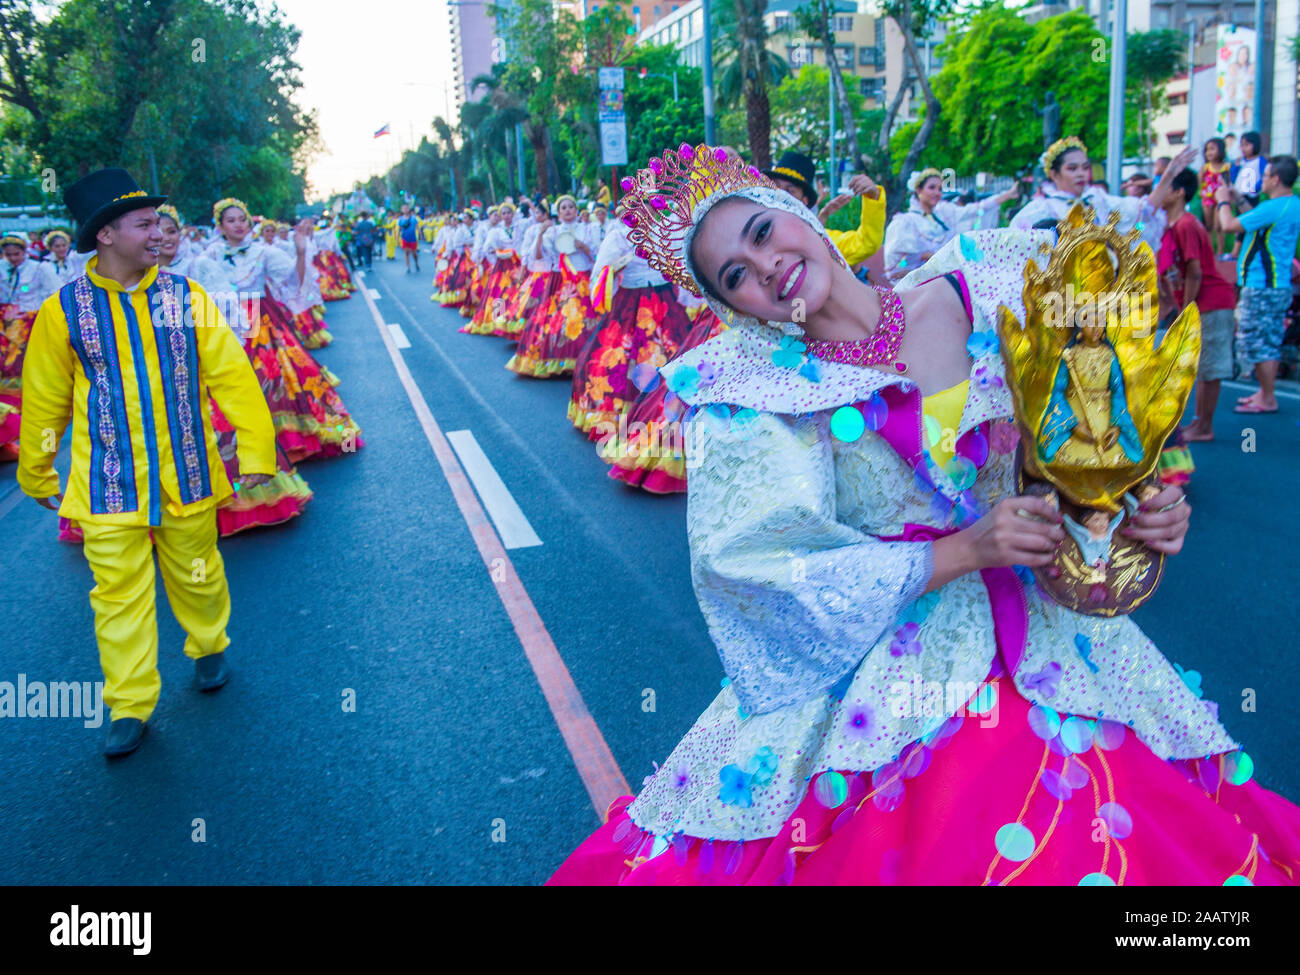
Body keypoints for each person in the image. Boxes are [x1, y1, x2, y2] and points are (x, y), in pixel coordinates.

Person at [549, 144, 1300, 886]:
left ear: (795, 210)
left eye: (758, 231)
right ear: (732, 305)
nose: (766, 264)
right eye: (736, 274)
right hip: (901, 677)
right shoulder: (762, 402)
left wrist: (1141, 508)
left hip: (1060, 632)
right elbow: (754, 564)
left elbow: (1096, 435)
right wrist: (961, 551)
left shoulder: (993, 278)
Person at [17, 168, 277, 757]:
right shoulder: (63, 311)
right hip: (108, 483)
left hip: (187, 470)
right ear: (106, 235)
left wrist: (257, 449)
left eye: (159, 224)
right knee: (117, 595)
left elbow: (232, 376)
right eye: (144, 225)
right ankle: (129, 704)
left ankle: (208, 645)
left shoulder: (187, 296)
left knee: (197, 572)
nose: (158, 234)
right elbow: (45, 399)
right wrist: (37, 469)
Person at [205, 198, 362, 459]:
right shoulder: (208, 256)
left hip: (262, 321)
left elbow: (293, 281)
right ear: (220, 226)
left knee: (283, 375)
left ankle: (319, 437)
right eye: (231, 220)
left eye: (242, 219)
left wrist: (301, 253)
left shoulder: (263, 253)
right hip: (227, 324)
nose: (238, 225)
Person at [569, 215, 692, 436]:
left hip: (665, 300)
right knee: (621, 356)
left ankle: (664, 409)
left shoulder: (668, 229)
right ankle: (626, 412)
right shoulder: (618, 236)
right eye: (641, 203)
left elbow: (684, 262)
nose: (646, 208)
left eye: (650, 203)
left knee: (674, 352)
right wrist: (615, 269)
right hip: (630, 301)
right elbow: (601, 273)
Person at [1214, 155, 1300, 414]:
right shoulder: (1291, 205)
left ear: (1275, 179)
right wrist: (1238, 198)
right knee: (1270, 338)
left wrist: (1223, 202)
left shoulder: (1273, 208)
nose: (1262, 179)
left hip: (1261, 285)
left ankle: (1268, 397)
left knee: (1257, 341)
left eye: (1265, 175)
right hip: (1277, 284)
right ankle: (1265, 392)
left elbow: (1228, 225)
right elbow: (1254, 219)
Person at [1158, 169, 1238, 443]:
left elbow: (1195, 271)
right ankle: (1198, 422)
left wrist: (1185, 310)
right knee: (1201, 367)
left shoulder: (1186, 224)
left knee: (1210, 367)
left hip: (1211, 302)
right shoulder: (1173, 224)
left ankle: (1205, 426)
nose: (1160, 191)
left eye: (1166, 186)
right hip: (1199, 303)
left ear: (1180, 192)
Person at [1012, 137, 1195, 254]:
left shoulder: (1098, 200)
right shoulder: (1041, 209)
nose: (1081, 174)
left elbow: (1143, 213)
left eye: (1085, 167)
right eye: (1072, 168)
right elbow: (1020, 251)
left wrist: (1168, 175)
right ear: (1054, 174)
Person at [883, 167, 1018, 283]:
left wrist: (1007, 195)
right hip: (922, 286)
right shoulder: (905, 222)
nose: (937, 193)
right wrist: (940, 260)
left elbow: (976, 209)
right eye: (932, 187)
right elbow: (901, 264)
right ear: (918, 190)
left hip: (947, 277)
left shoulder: (944, 213)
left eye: (940, 189)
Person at [762, 150, 886, 268]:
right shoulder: (750, 232)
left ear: (804, 201)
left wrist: (873, 197)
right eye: (774, 186)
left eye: (789, 191)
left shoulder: (822, 243)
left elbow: (865, 244)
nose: (779, 193)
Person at [1200, 138, 1232, 259]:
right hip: (1207, 199)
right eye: (1207, 150)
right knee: (1209, 226)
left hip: (1220, 197)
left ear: (1221, 150)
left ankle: (1220, 251)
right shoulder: (1205, 168)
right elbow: (1201, 182)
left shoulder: (1226, 167)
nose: (1209, 152)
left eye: (1212, 149)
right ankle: (1209, 251)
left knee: (1219, 226)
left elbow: (1229, 182)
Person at [397, 203, 421, 273]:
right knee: (406, 252)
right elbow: (399, 228)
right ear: (402, 210)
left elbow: (417, 226)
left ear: (408, 209)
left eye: (406, 208)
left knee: (414, 253)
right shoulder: (400, 219)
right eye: (404, 208)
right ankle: (408, 267)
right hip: (404, 238)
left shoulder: (413, 218)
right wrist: (398, 237)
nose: (405, 210)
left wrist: (420, 234)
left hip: (413, 238)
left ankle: (416, 263)